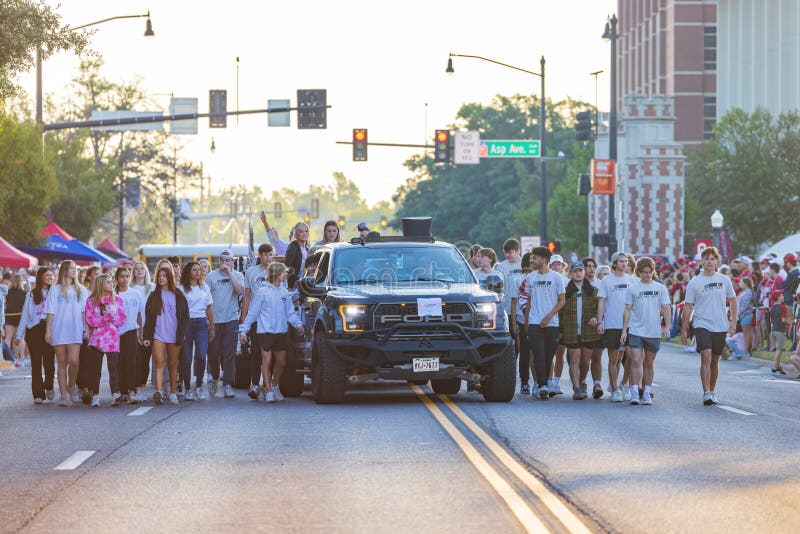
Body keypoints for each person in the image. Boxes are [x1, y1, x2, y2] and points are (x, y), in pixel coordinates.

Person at [239, 263, 304, 403]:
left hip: (281, 331)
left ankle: (274, 385)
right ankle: (268, 391)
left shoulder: (284, 292)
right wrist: (243, 330)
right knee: (266, 361)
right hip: (265, 331)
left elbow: (289, 312)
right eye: (285, 272)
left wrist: (298, 324)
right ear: (278, 275)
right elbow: (253, 313)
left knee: (281, 362)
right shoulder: (262, 291)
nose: (286, 275)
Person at [681, 246, 737, 406]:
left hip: (720, 324)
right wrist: (684, 329)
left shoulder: (724, 280)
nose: (709, 262)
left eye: (712, 259)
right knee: (706, 356)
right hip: (701, 323)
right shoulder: (695, 282)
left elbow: (733, 300)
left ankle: (712, 391)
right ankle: (706, 392)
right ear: (702, 261)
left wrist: (733, 321)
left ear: (717, 261)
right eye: (706, 259)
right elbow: (687, 307)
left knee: (715, 360)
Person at [620, 257, 671, 406]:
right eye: (644, 272)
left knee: (649, 362)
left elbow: (666, 307)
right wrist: (624, 330)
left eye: (650, 272)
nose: (648, 275)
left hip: (653, 331)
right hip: (636, 330)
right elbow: (627, 309)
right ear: (639, 272)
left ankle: (647, 392)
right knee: (636, 360)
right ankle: (635, 392)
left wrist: (667, 326)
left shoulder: (660, 288)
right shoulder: (633, 288)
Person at [522, 246, 566, 400]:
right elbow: (529, 301)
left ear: (544, 259)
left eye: (535, 258)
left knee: (548, 356)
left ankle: (546, 382)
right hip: (535, 323)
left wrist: (548, 317)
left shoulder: (557, 277)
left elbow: (562, 301)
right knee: (538, 355)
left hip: (552, 323)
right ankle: (542, 386)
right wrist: (527, 322)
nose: (533, 260)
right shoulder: (530, 278)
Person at [143, 266, 189, 405]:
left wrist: (182, 333)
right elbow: (148, 317)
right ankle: (158, 391)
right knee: (159, 362)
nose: (161, 278)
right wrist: (147, 336)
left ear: (169, 278)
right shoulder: (153, 295)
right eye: (159, 276)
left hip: (174, 335)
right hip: (158, 335)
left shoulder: (179, 295)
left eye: (164, 276)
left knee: (173, 364)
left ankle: (173, 392)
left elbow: (185, 316)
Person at [45, 260, 88, 406]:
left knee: (74, 361)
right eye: (71, 268)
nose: (74, 271)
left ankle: (72, 386)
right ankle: (63, 395)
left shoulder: (80, 289)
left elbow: (84, 311)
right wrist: (48, 331)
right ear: (64, 270)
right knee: (62, 362)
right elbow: (50, 311)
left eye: (75, 268)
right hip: (58, 329)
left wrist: (87, 329)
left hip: (75, 329)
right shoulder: (55, 289)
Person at [596, 252, 638, 402]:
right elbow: (601, 301)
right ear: (614, 263)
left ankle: (624, 384)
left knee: (631, 356)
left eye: (626, 261)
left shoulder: (632, 280)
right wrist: (600, 322)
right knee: (614, 358)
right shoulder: (606, 280)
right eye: (621, 261)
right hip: (612, 324)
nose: (624, 264)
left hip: (630, 324)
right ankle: (614, 389)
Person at [205, 249, 245, 398]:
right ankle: (215, 377)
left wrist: (229, 273)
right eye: (222, 260)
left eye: (228, 260)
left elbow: (240, 291)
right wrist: (208, 320)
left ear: (233, 262)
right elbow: (206, 299)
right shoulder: (211, 276)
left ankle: (228, 384)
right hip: (215, 321)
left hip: (231, 319)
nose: (225, 263)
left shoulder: (238, 275)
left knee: (229, 354)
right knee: (214, 353)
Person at [558, 261, 599, 400]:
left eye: (580, 270)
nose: (578, 273)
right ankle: (576, 388)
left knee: (585, 361)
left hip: (589, 330)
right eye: (575, 271)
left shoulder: (593, 291)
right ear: (570, 274)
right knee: (574, 360)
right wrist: (560, 329)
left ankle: (581, 383)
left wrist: (595, 318)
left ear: (584, 272)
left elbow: (600, 308)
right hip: (571, 330)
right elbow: (560, 312)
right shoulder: (565, 291)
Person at [84, 274, 127, 407]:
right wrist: (105, 319)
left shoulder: (117, 299)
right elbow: (90, 320)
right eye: (108, 282)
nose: (111, 284)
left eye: (111, 282)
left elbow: (122, 319)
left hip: (112, 339)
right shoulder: (91, 301)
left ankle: (115, 394)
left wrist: (111, 316)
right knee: (95, 369)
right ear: (101, 284)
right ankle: (95, 396)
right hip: (97, 339)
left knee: (113, 367)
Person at [16, 267, 55, 403]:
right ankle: (38, 394)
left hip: (50, 329)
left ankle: (49, 385)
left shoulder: (55, 292)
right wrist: (19, 335)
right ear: (40, 277)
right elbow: (25, 315)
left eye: (52, 275)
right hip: (34, 330)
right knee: (36, 363)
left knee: (49, 362)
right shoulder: (32, 294)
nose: (50, 277)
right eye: (47, 275)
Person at [242, 243, 275, 400]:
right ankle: (255, 384)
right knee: (255, 351)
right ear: (260, 255)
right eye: (265, 255)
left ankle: (270, 386)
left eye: (270, 255)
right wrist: (244, 319)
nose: (268, 258)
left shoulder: (277, 271)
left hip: (272, 318)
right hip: (256, 317)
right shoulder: (251, 272)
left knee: (270, 352)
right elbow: (247, 296)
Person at [179, 261, 215, 400]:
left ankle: (199, 386)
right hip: (186, 324)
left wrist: (212, 327)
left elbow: (209, 308)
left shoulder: (204, 288)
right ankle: (187, 388)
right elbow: (178, 310)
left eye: (199, 270)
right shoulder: (181, 288)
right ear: (188, 272)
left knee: (201, 355)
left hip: (201, 324)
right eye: (194, 270)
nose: (197, 272)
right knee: (186, 358)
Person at [496, 240, 525, 392]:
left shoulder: (524, 265)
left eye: (511, 251)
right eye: (506, 252)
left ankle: (523, 377)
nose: (509, 255)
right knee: (508, 346)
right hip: (506, 310)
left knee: (520, 345)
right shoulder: (501, 267)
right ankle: (509, 372)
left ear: (518, 250)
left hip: (521, 311)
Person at [115, 267, 145, 404]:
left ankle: (132, 390)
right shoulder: (113, 294)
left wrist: (141, 333)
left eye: (127, 276)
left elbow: (139, 315)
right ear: (117, 278)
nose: (124, 279)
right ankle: (123, 391)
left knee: (132, 362)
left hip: (132, 331)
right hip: (116, 333)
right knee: (119, 362)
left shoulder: (136, 293)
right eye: (122, 276)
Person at [510, 252, 534, 394]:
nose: (532, 263)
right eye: (530, 260)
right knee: (524, 351)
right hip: (521, 319)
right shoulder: (517, 279)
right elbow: (514, 302)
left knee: (538, 352)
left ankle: (541, 382)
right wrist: (514, 323)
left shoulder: (539, 278)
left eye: (534, 260)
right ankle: (524, 382)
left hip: (538, 320)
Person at [131, 260, 155, 401]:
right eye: (136, 268)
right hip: (132, 328)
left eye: (142, 268)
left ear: (146, 272)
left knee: (144, 360)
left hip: (148, 328)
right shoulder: (129, 288)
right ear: (133, 272)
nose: (139, 270)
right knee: (134, 360)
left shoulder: (152, 288)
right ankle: (133, 388)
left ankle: (141, 387)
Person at [582, 256, 605, 399]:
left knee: (597, 356)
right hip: (584, 326)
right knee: (585, 359)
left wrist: (598, 318)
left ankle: (597, 385)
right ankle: (582, 383)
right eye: (588, 266)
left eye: (593, 266)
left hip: (598, 324)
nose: (591, 269)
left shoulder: (601, 284)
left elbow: (604, 303)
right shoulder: (579, 283)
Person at [4, 274, 28, 364]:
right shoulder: (24, 293)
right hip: (20, 317)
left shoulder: (7, 292)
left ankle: (8, 358)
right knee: (20, 338)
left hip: (9, 316)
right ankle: (21, 358)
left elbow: (5, 304)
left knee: (8, 338)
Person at [767, 291, 790, 375]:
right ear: (778, 297)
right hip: (780, 331)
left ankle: (778, 366)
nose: (783, 296)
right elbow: (783, 320)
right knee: (779, 349)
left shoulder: (772, 308)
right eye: (781, 295)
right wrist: (790, 322)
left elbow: (771, 320)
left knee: (778, 349)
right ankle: (775, 367)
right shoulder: (782, 308)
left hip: (773, 330)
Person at [284, 222, 311, 290]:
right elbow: (287, 268)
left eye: (306, 231)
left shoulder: (308, 249)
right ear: (296, 234)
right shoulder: (292, 248)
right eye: (301, 232)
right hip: (294, 284)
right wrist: (299, 279)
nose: (304, 233)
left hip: (306, 283)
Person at [737, 277, 756, 356]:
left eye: (741, 282)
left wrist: (738, 313)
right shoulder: (744, 292)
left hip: (746, 315)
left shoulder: (747, 293)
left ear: (745, 284)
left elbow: (744, 306)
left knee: (747, 333)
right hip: (744, 315)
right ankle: (745, 349)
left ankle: (746, 350)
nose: (739, 284)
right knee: (745, 333)